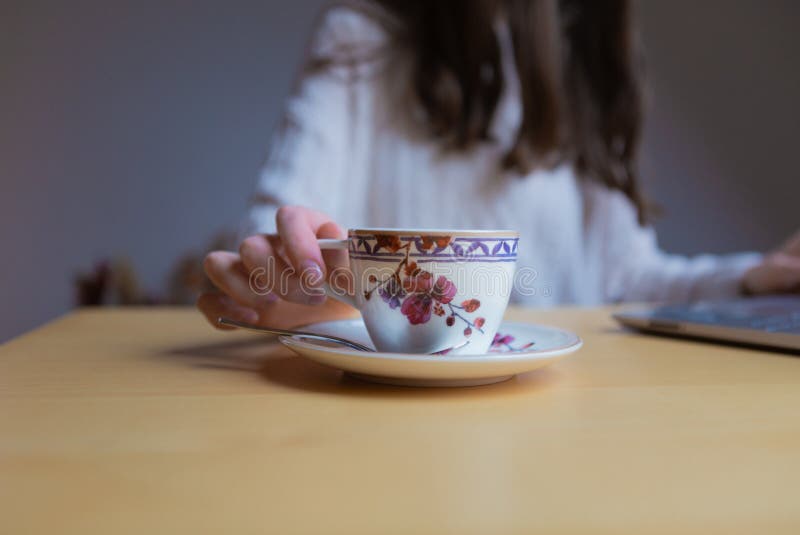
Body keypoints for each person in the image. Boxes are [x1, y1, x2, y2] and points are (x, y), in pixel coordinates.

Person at [198, 0, 800, 330]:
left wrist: (752, 280)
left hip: (571, 420)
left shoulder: (581, 69)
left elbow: (624, 280)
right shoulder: (359, 40)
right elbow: (278, 238)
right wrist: (290, 284)